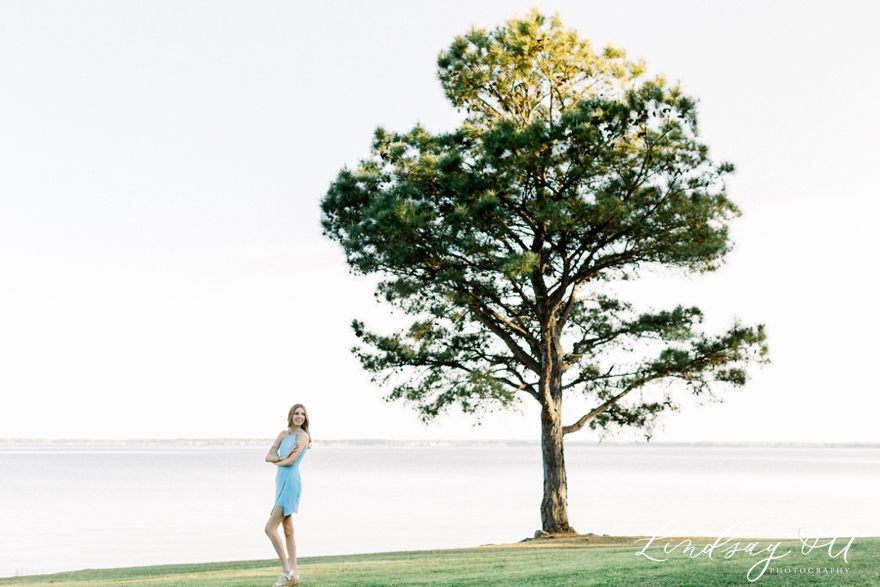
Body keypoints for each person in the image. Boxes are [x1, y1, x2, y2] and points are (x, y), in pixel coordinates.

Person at [264, 404, 311, 587]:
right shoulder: (283, 435)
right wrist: (280, 459)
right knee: (288, 531)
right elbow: (268, 456)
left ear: (305, 418)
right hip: (280, 481)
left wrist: (280, 460)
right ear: (291, 415)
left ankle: (286, 572)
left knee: (269, 528)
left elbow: (292, 461)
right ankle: (295, 575)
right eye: (296, 413)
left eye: (303, 414)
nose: (299, 417)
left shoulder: (303, 436)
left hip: (292, 482)